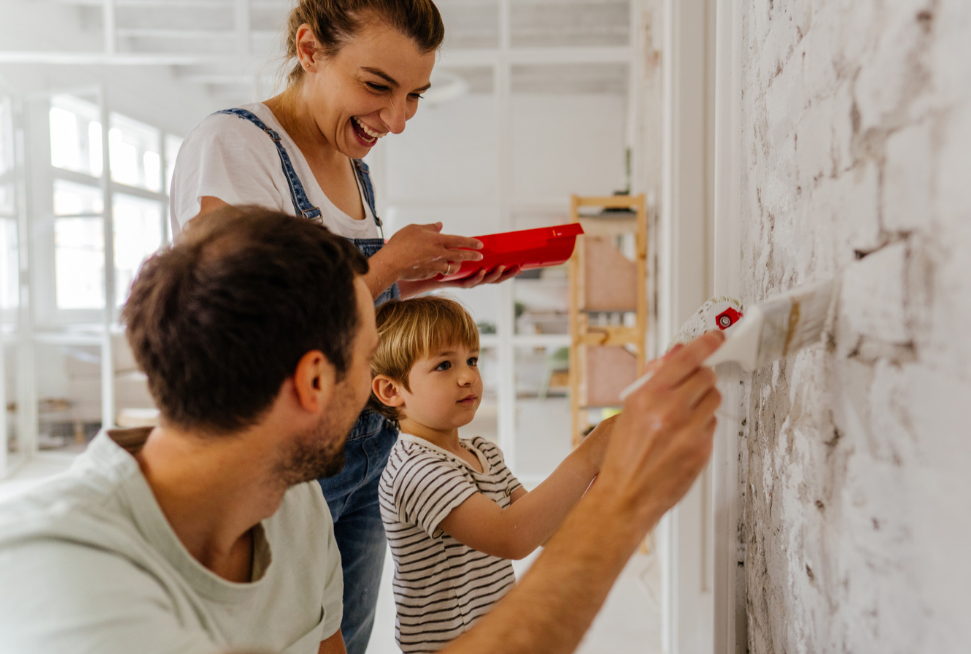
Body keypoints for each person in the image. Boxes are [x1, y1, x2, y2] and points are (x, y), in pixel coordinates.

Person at [0, 205, 724, 654]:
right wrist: (623, 503)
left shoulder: (296, 508)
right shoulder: (57, 568)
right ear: (317, 384)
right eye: (367, 352)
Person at [166, 2, 518, 651]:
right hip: (285, 459)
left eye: (414, 95)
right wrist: (387, 265)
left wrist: (423, 279)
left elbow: (347, 307)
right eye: (378, 86)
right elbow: (250, 327)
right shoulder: (235, 146)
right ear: (310, 50)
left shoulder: (352, 164)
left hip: (369, 442)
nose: (397, 119)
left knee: (345, 639)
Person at [369, 296, 615, 652]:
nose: (468, 376)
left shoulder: (483, 453)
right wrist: (590, 453)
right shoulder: (415, 470)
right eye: (444, 365)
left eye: (472, 360)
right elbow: (511, 537)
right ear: (391, 391)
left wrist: (612, 474)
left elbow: (548, 530)